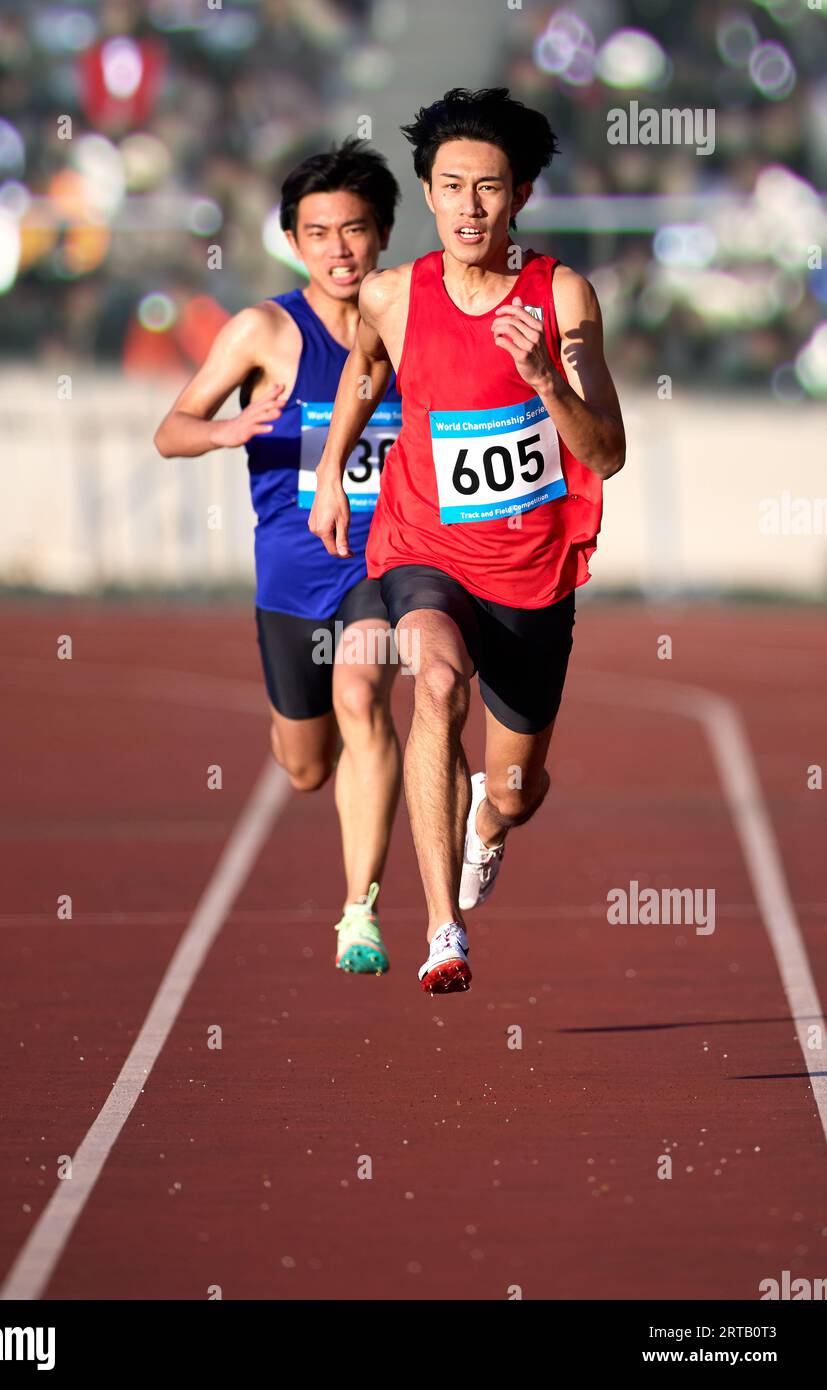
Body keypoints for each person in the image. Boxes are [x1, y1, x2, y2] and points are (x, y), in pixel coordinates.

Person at [309, 90, 625, 994]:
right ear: (427, 190)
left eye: (488, 189)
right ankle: (443, 930)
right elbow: (367, 370)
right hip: (421, 550)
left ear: (520, 194)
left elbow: (608, 451)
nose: (468, 209)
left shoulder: (560, 296)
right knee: (435, 684)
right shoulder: (389, 294)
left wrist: (544, 381)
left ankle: (488, 822)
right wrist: (334, 470)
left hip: (530, 576)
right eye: (450, 188)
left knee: (518, 789)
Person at [154, 139, 403, 975]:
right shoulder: (263, 330)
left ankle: (357, 911)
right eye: (319, 232)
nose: (340, 249)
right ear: (294, 242)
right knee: (304, 768)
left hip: (384, 564)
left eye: (356, 230)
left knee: (364, 697)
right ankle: (315, 741)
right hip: (293, 578)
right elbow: (171, 429)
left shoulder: (411, 325)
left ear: (383, 234)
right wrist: (225, 428)